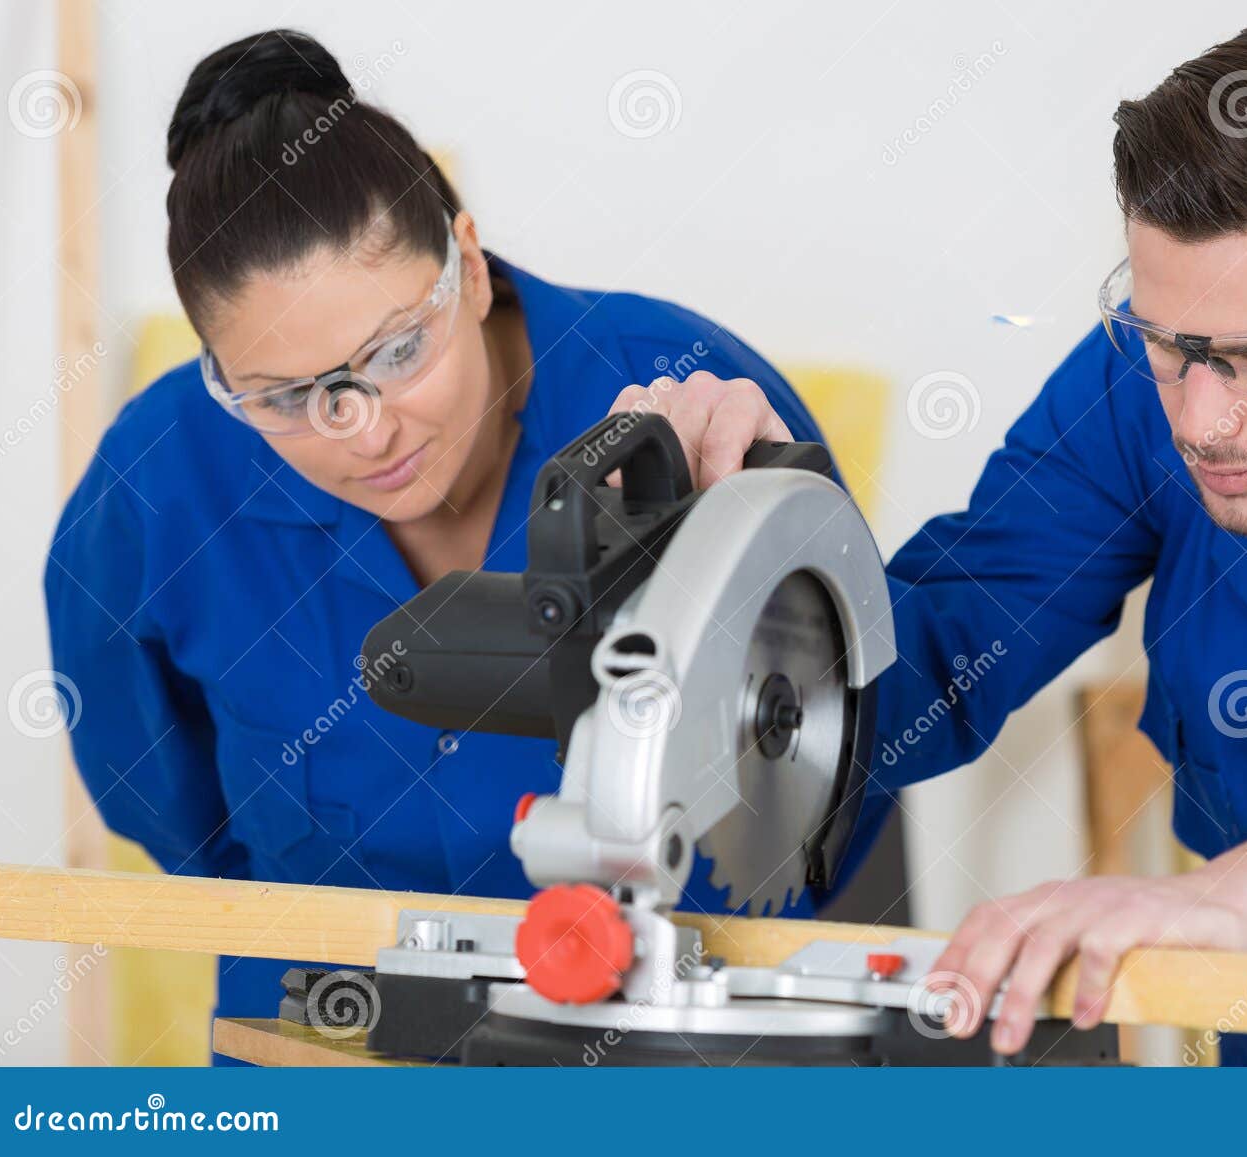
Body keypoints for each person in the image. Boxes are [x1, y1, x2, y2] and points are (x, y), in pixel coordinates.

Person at [607, 18, 1247, 1065]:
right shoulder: (1139, 385)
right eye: (1170, 343)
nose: (1200, 418)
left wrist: (1234, 892)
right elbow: (953, 633)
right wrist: (749, 564)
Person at [43, 28, 851, 1049]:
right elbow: (159, 795)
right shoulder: (155, 487)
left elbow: (832, 739)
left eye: (398, 350)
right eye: (290, 396)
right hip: (324, 1038)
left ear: (466, 266)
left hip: (679, 1038)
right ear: (221, 377)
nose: (365, 428)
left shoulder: (683, 392)